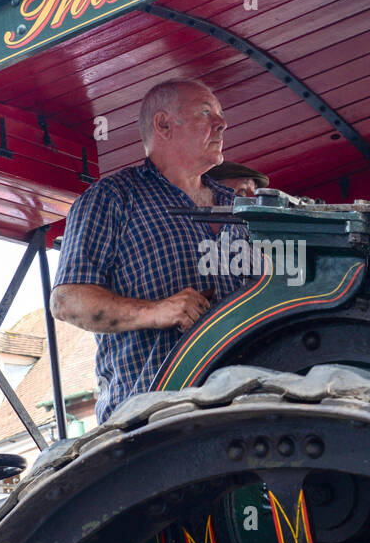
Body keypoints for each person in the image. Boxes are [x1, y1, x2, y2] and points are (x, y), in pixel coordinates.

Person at [50, 79, 249, 422]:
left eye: (221, 115)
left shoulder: (242, 209)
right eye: (206, 112)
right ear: (163, 124)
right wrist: (156, 312)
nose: (222, 124)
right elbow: (66, 301)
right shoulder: (112, 199)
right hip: (152, 421)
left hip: (248, 410)